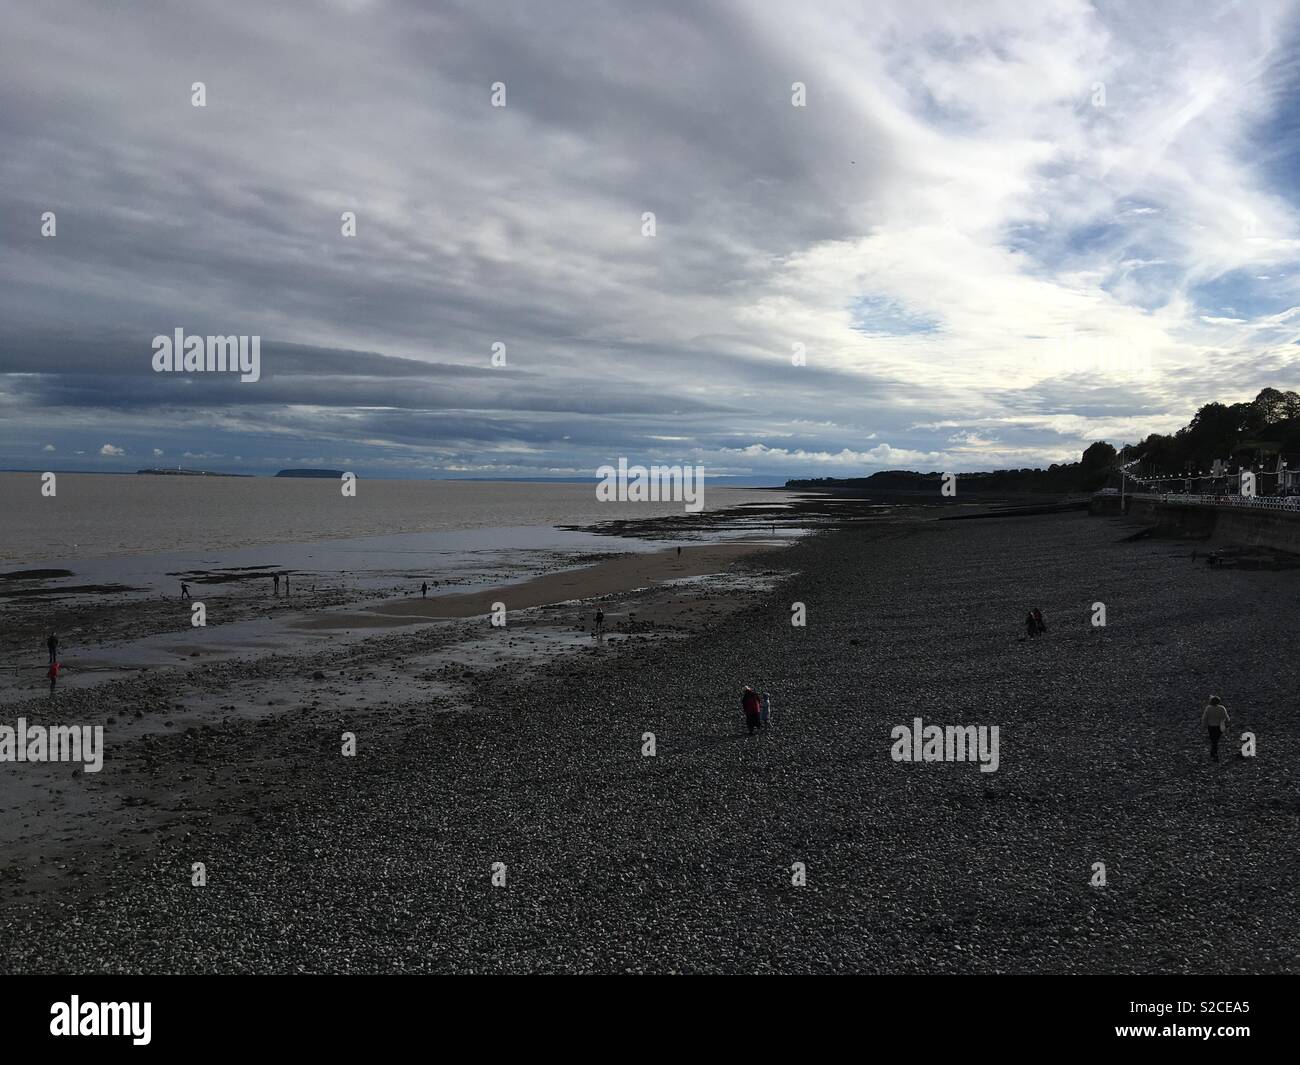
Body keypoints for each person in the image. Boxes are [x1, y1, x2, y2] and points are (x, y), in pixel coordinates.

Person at [1201, 695, 1230, 762]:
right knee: (1216, 739)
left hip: (1211, 726)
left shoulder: (1208, 708)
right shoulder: (1222, 708)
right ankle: (1214, 753)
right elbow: (1226, 717)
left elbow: (1205, 717)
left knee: (1213, 739)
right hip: (1219, 726)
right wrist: (1227, 723)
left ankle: (1214, 753)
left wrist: (1203, 725)